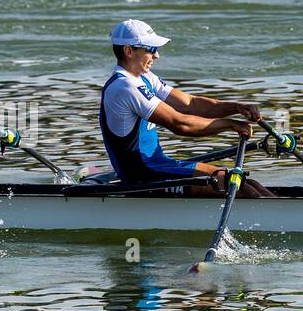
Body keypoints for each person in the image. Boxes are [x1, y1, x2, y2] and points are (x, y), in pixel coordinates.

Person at [99, 20, 274, 197]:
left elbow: (190, 104)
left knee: (247, 182)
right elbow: (179, 123)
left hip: (159, 165)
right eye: (151, 49)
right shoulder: (124, 87)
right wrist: (230, 125)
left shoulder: (145, 77)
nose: (157, 55)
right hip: (143, 176)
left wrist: (236, 107)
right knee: (237, 186)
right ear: (129, 51)